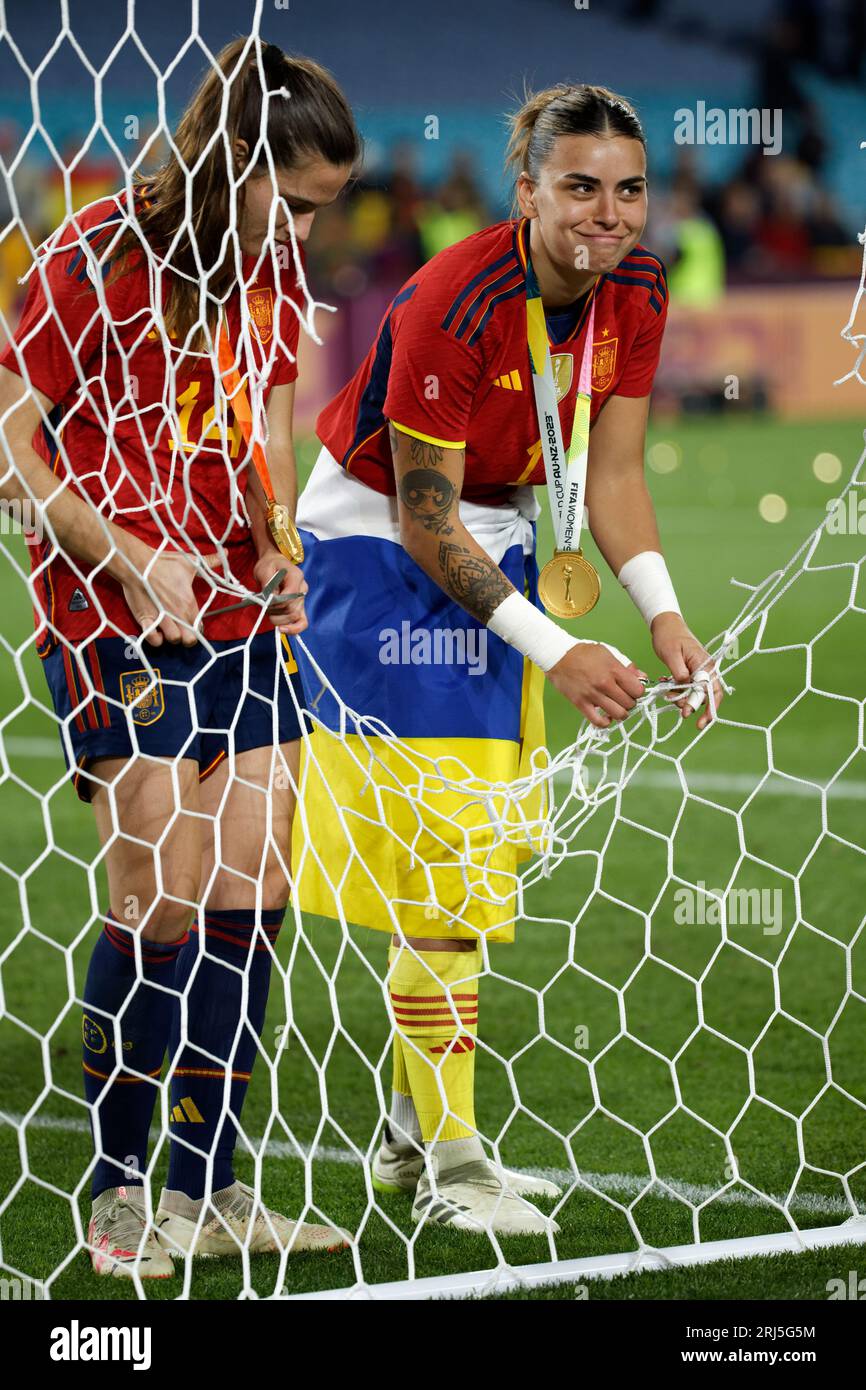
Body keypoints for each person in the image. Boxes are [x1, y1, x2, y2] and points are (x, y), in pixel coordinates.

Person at [292, 83, 722, 1236]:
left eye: (627, 188)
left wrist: (662, 616)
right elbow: (423, 521)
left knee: (471, 858)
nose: (608, 212)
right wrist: (559, 646)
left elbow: (616, 476)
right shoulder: (454, 294)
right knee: (447, 863)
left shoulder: (636, 284)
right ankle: (451, 1158)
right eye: (578, 186)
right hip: (378, 543)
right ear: (524, 187)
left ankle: (405, 1123)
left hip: (498, 541)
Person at [0, 37, 359, 1277]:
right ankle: (114, 1194)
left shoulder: (270, 269)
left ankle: (208, 1189)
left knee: (249, 901)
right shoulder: (93, 254)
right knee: (158, 900)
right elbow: (11, 443)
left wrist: (276, 539)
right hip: (115, 620)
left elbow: (260, 423)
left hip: (237, 615)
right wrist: (126, 556)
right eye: (297, 199)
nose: (309, 230)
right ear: (240, 162)